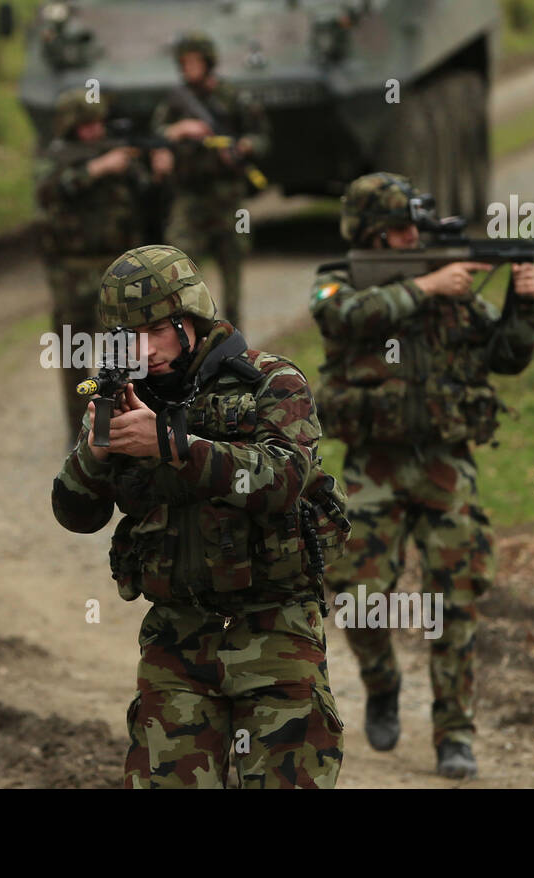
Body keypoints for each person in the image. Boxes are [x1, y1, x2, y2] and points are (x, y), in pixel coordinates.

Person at [52, 245, 346, 788]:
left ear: (190, 318)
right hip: (177, 638)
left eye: (155, 330)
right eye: (127, 337)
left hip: (275, 628)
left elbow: (282, 482)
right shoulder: (124, 394)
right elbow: (75, 513)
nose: (142, 349)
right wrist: (96, 450)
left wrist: (170, 444)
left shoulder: (270, 381)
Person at [310, 172, 534, 779]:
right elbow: (340, 317)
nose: (413, 236)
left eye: (416, 228)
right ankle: (382, 682)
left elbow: (508, 357)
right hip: (373, 466)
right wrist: (425, 285)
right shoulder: (339, 281)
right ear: (369, 235)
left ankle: (455, 734)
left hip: (445, 463)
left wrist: (523, 299)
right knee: (358, 599)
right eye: (399, 230)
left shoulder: (457, 291)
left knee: (455, 601)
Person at [34, 89, 151, 439]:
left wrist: (136, 166)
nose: (94, 132)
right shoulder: (56, 157)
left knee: (124, 354)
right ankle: (78, 433)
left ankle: (122, 427)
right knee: (73, 354)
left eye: (98, 124)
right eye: (86, 125)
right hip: (71, 270)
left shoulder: (117, 151)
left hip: (117, 268)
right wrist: (98, 169)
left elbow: (147, 190)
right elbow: (49, 190)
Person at [149, 31, 269, 331]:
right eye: (184, 62)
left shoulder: (232, 97)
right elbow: (156, 136)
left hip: (228, 196)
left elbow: (262, 136)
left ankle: (233, 339)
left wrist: (244, 147)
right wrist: (178, 132)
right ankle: (190, 331)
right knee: (178, 267)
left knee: (232, 269)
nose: (189, 67)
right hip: (190, 195)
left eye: (195, 61)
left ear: (208, 63)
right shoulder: (177, 101)